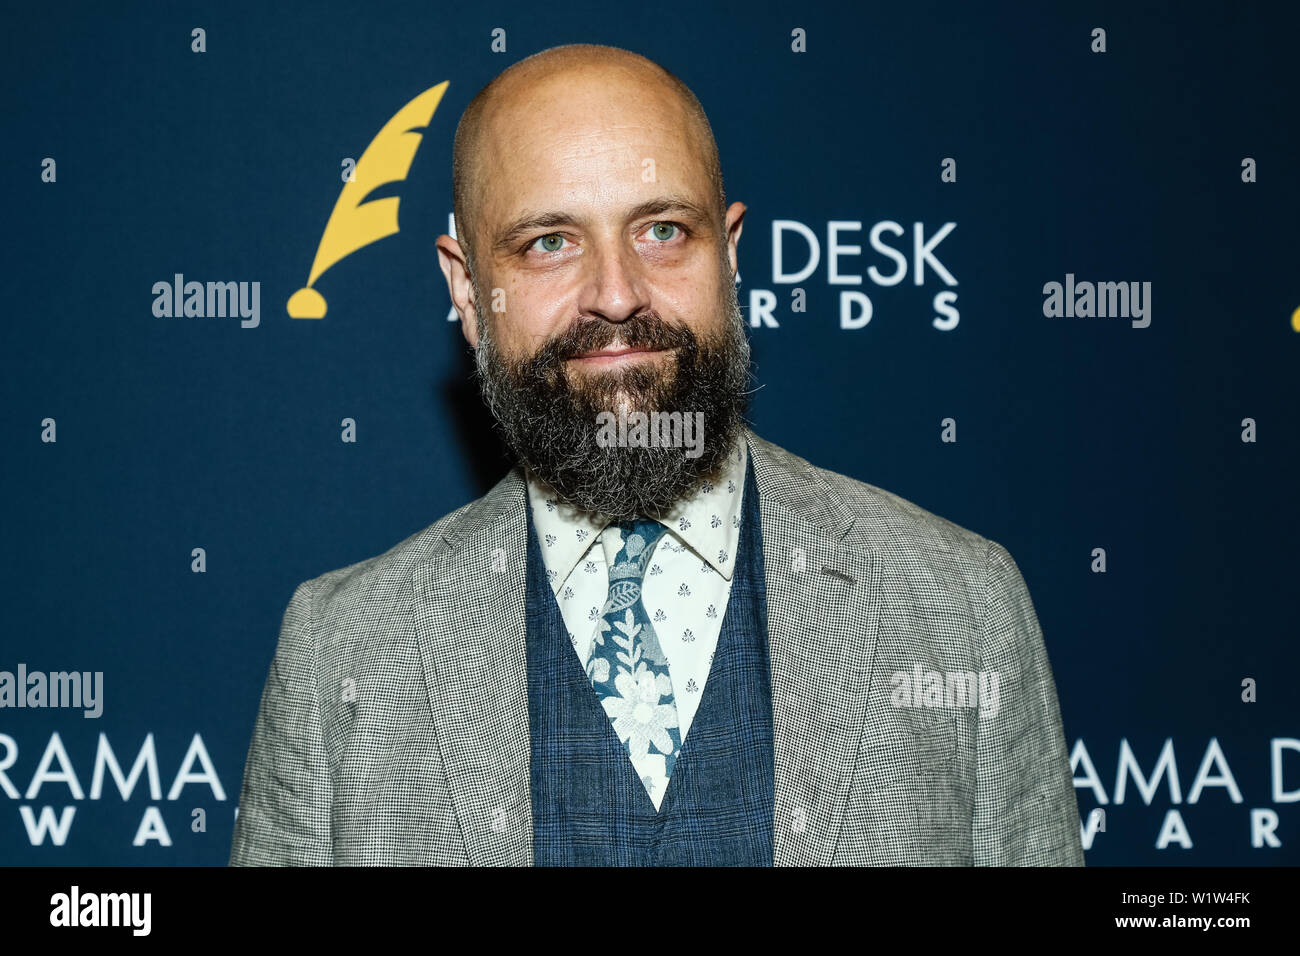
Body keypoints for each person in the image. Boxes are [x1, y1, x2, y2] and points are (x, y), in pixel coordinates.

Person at [230, 42, 1084, 866]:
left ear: (732, 251)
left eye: (663, 231)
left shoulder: (961, 605)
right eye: (549, 243)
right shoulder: (340, 654)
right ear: (465, 286)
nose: (615, 294)